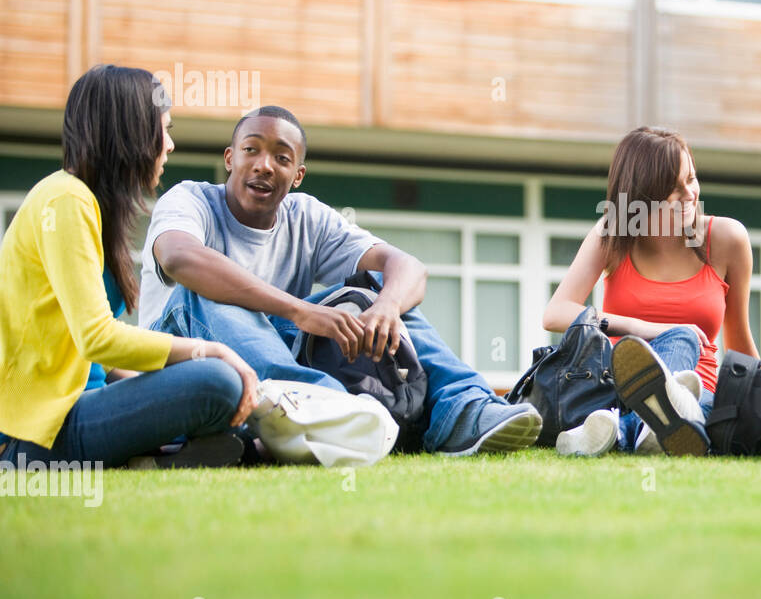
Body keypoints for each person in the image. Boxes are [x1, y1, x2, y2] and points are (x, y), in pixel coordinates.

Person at [138, 106, 540, 457]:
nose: (264, 164)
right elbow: (179, 257)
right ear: (229, 158)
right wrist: (299, 310)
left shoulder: (306, 216)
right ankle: (325, 410)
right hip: (180, 362)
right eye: (251, 150)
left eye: (281, 157)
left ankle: (464, 409)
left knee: (382, 293)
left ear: (297, 175)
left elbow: (408, 267)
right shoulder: (189, 199)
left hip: (268, 366)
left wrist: (386, 308)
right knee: (208, 292)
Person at [0, 65, 259, 469]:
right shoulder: (65, 199)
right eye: (165, 129)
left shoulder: (94, 208)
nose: (169, 145)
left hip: (85, 409)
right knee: (216, 382)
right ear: (131, 129)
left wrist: (162, 393)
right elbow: (98, 339)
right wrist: (210, 352)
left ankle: (155, 456)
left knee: (223, 396)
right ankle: (156, 456)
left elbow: (102, 365)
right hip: (39, 433)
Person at [542, 126, 758, 456]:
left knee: (707, 393)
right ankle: (654, 425)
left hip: (700, 392)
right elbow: (555, 313)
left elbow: (739, 340)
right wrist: (646, 329)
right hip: (619, 386)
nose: (689, 194)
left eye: (692, 178)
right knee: (681, 336)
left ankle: (621, 430)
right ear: (643, 193)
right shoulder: (613, 233)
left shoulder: (727, 239)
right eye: (674, 188)